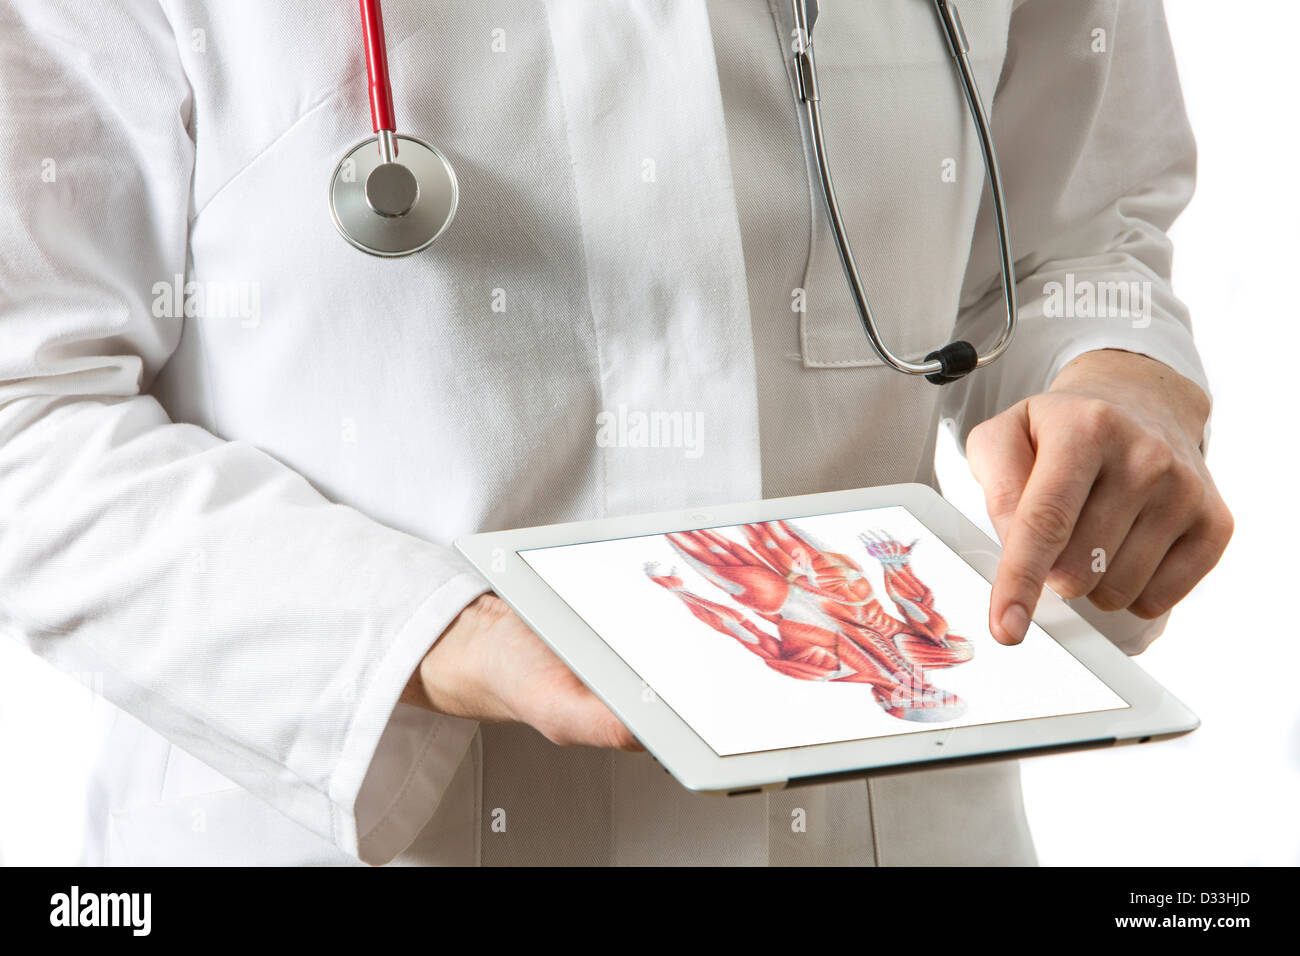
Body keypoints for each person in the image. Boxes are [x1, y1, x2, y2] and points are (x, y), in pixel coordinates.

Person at [0, 0, 1230, 866]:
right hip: (358, 826)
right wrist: (426, 636)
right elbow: (27, 407)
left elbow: (1079, 229)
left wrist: (1118, 386)